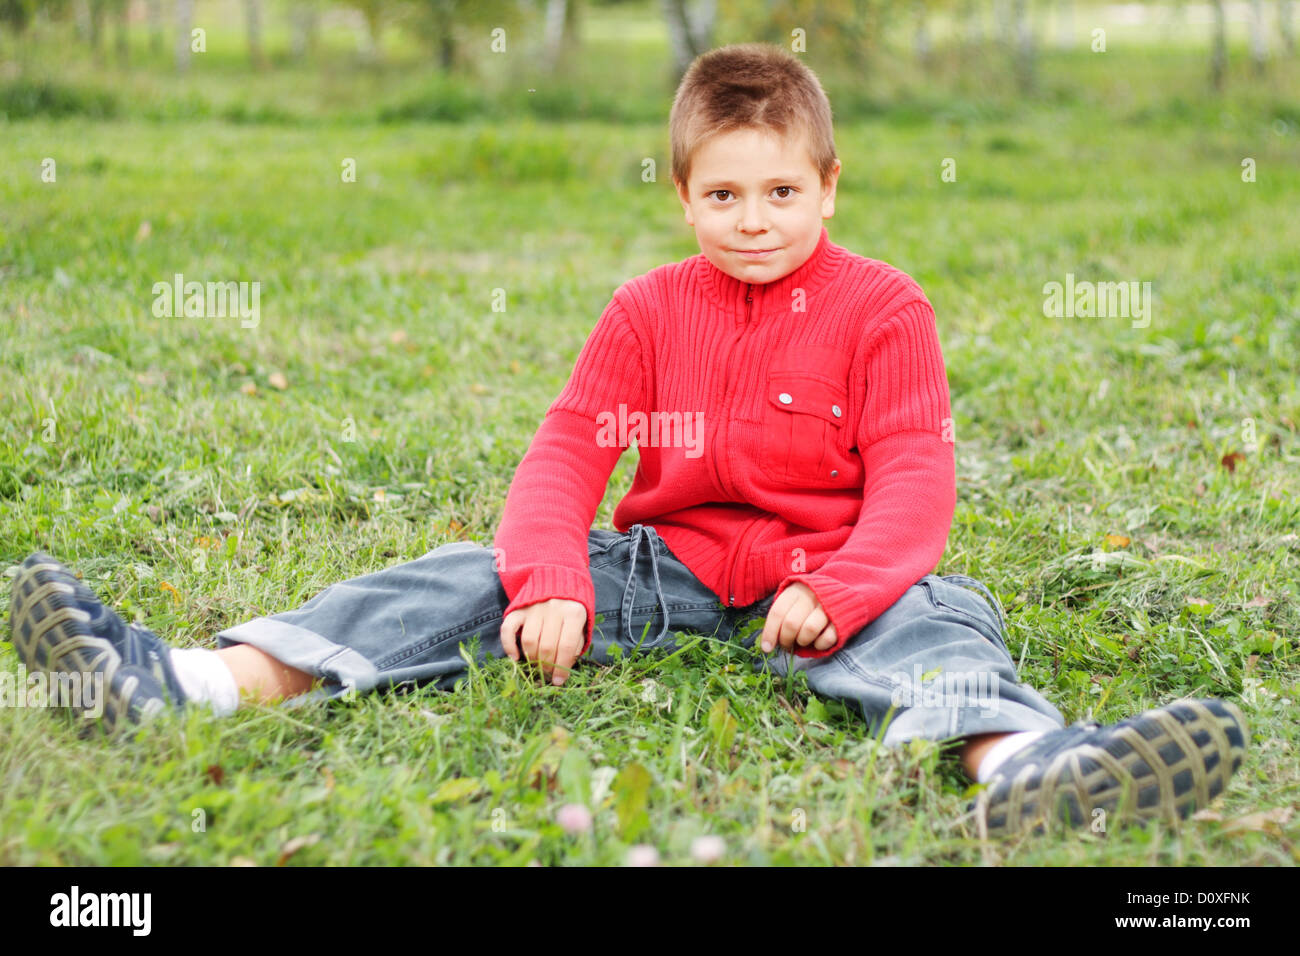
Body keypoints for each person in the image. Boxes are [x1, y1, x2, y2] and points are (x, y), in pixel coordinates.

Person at [7, 43, 1246, 839]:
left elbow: (917, 479)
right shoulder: (648, 309)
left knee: (940, 624)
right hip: (665, 569)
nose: (751, 221)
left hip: (837, 573)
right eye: (721, 193)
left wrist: (848, 583)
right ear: (680, 193)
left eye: (779, 193)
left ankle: (1027, 769)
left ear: (829, 186)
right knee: (455, 580)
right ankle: (193, 684)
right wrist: (549, 580)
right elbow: (563, 456)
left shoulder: (885, 307)